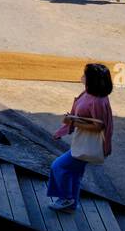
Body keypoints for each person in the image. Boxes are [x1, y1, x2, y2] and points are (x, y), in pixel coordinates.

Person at [47, 63, 114, 212]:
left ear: (93, 80)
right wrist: (65, 127)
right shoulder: (89, 93)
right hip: (83, 142)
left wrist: (72, 122)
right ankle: (72, 203)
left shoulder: (97, 100)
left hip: (86, 145)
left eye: (85, 75)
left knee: (59, 166)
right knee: (75, 174)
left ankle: (66, 199)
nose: (82, 77)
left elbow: (99, 126)